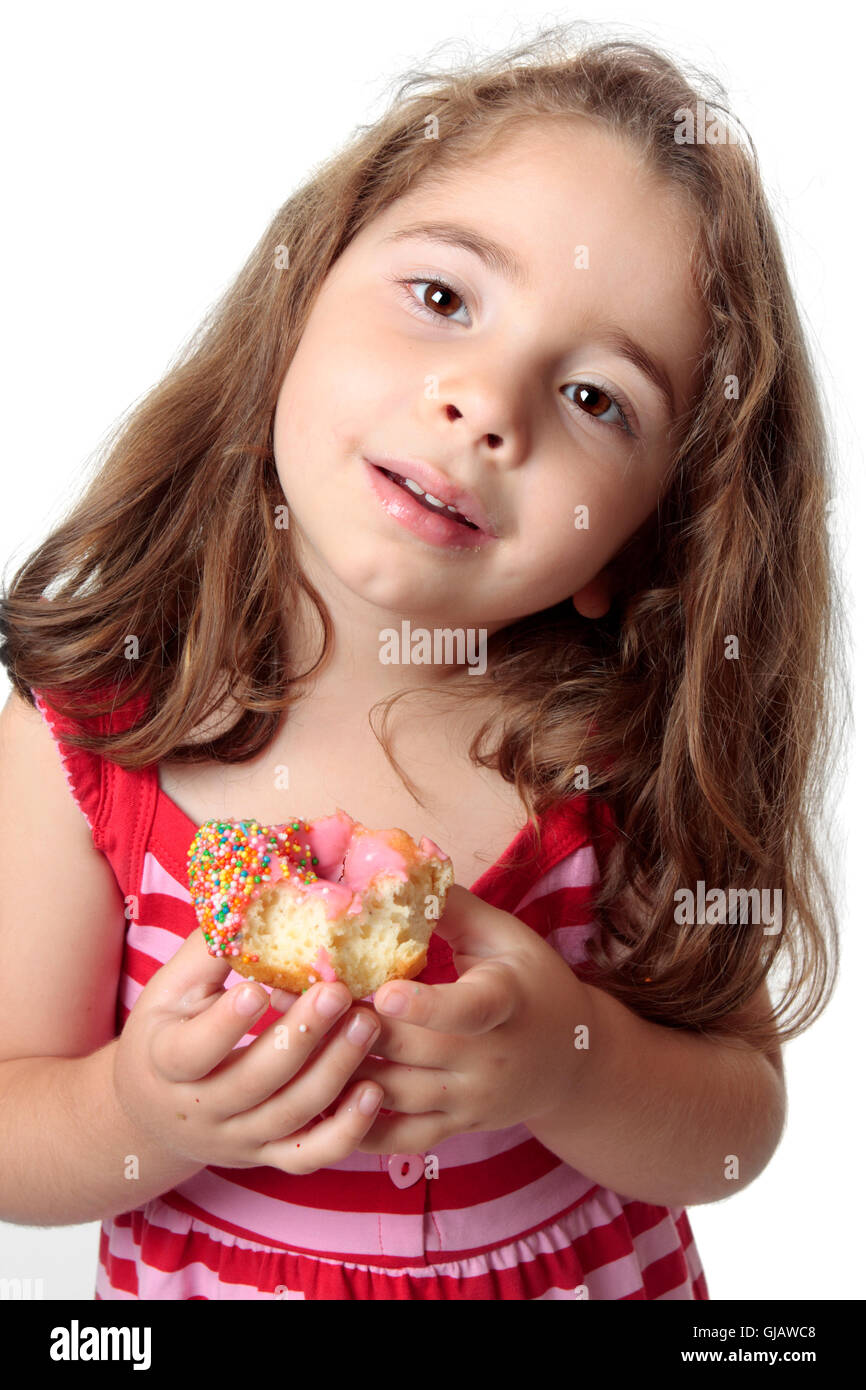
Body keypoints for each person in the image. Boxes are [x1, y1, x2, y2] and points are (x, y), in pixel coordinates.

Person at [0, 26, 846, 1299]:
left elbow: (734, 1131)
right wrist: (140, 1111)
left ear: (636, 536)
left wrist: (573, 1062)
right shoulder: (95, 740)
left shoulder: (613, 757)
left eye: (595, 398)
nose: (486, 402)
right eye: (443, 298)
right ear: (301, 302)